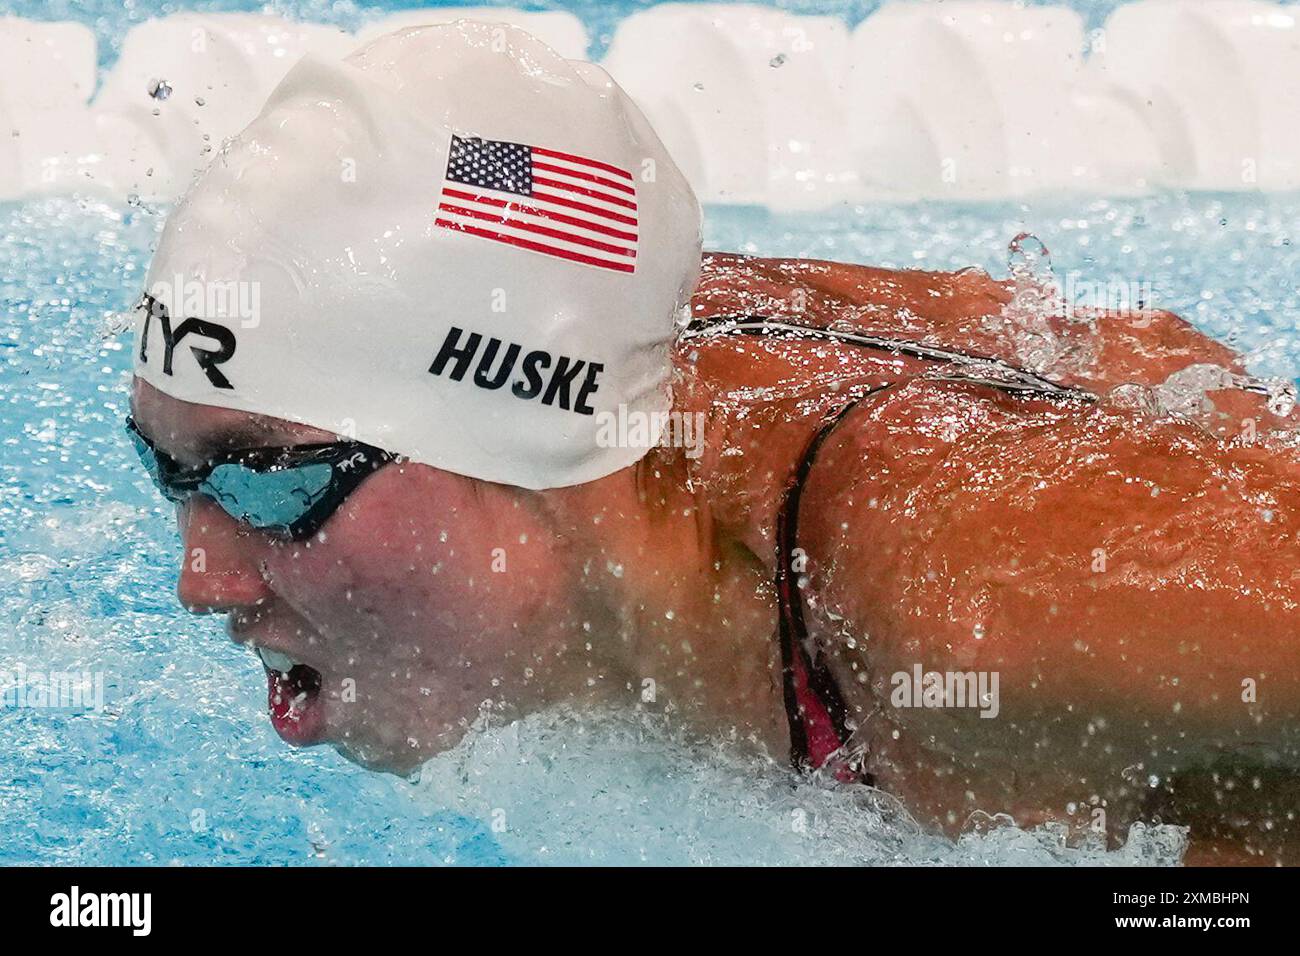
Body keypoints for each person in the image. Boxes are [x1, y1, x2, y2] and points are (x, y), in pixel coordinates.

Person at [127, 21, 1300, 865]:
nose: (200, 579)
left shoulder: (960, 608)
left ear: (515, 436)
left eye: (265, 483)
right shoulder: (608, 342)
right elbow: (1125, 342)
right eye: (168, 470)